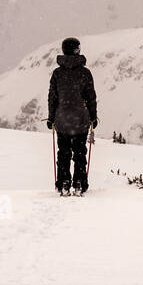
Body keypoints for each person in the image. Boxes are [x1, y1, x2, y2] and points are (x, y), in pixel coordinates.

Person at [46, 37, 98, 195]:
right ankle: (79, 182)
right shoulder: (85, 73)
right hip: (80, 120)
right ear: (77, 50)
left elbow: (52, 98)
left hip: (62, 119)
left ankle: (64, 181)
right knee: (80, 152)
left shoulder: (57, 73)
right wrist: (93, 117)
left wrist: (51, 118)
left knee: (63, 152)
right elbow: (91, 97)